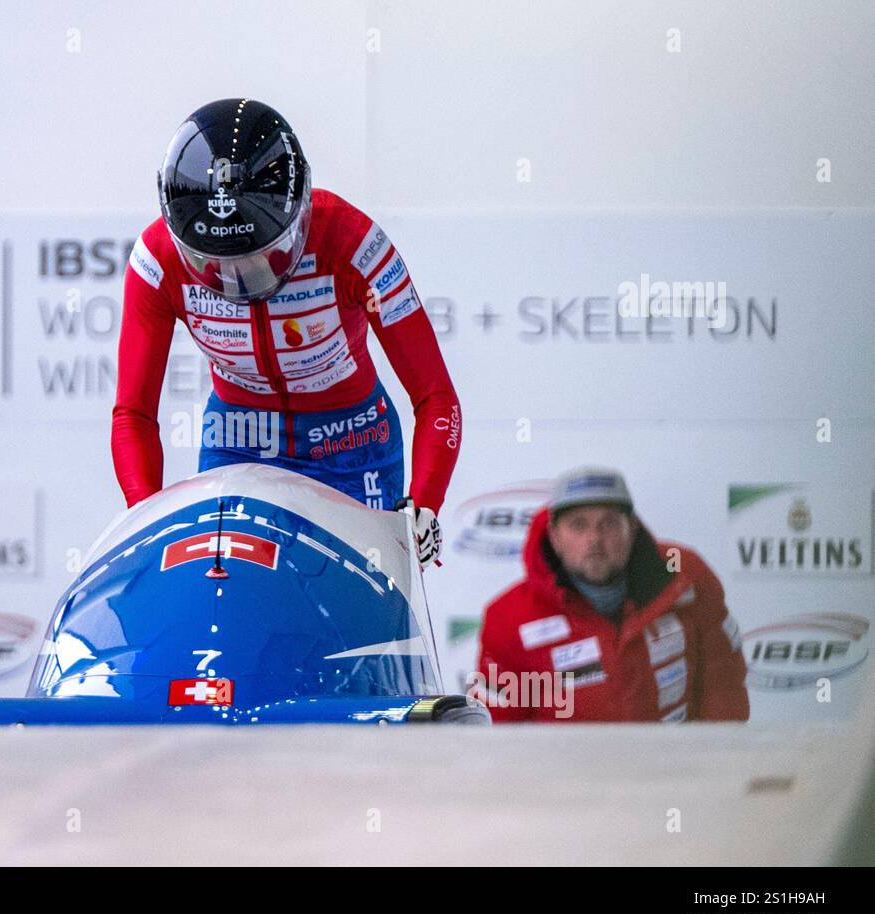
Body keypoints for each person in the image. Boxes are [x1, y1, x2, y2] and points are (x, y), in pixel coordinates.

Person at [112, 98, 462, 566]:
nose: (237, 279)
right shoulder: (156, 263)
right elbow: (133, 412)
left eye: (262, 255)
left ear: (300, 217)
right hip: (238, 437)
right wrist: (145, 514)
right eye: (212, 263)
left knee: (353, 610)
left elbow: (436, 396)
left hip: (354, 444)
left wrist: (425, 503)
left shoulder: (354, 243)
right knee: (231, 599)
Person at [474, 466, 748, 722]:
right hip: (565, 774)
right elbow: (497, 732)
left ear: (632, 529)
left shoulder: (685, 577)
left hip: (676, 769)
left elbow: (723, 683)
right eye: (578, 525)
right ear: (554, 537)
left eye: (608, 524)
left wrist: (714, 762)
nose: (594, 538)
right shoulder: (508, 619)